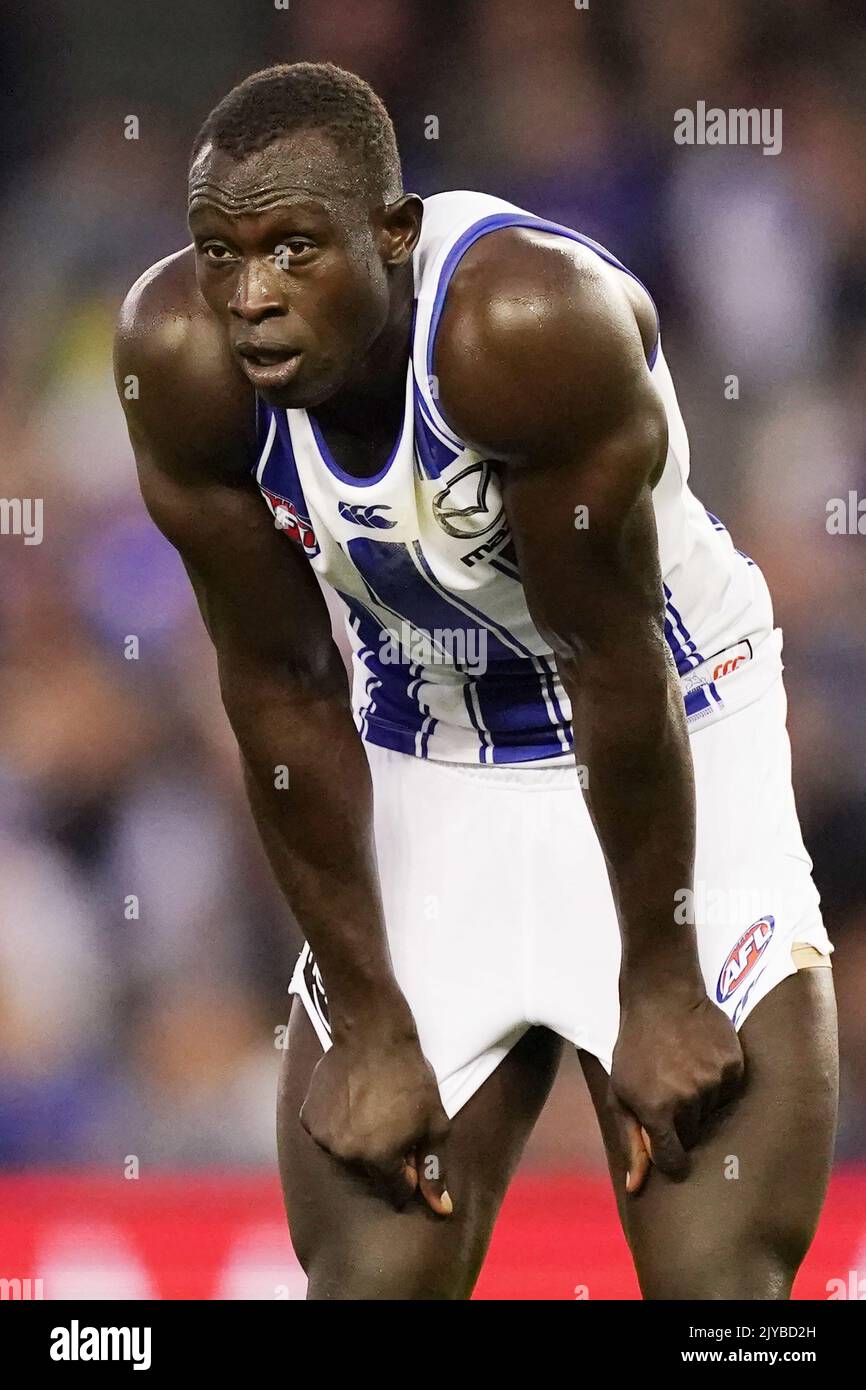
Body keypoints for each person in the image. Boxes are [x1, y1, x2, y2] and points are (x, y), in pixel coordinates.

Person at [115, 62, 837, 1300]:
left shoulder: (525, 330)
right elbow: (280, 689)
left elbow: (613, 669)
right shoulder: (177, 359)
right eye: (220, 255)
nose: (250, 298)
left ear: (393, 236)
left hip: (674, 722)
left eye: (294, 250)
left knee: (721, 1294)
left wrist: (656, 981)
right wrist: (368, 1008)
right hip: (430, 751)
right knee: (369, 1278)